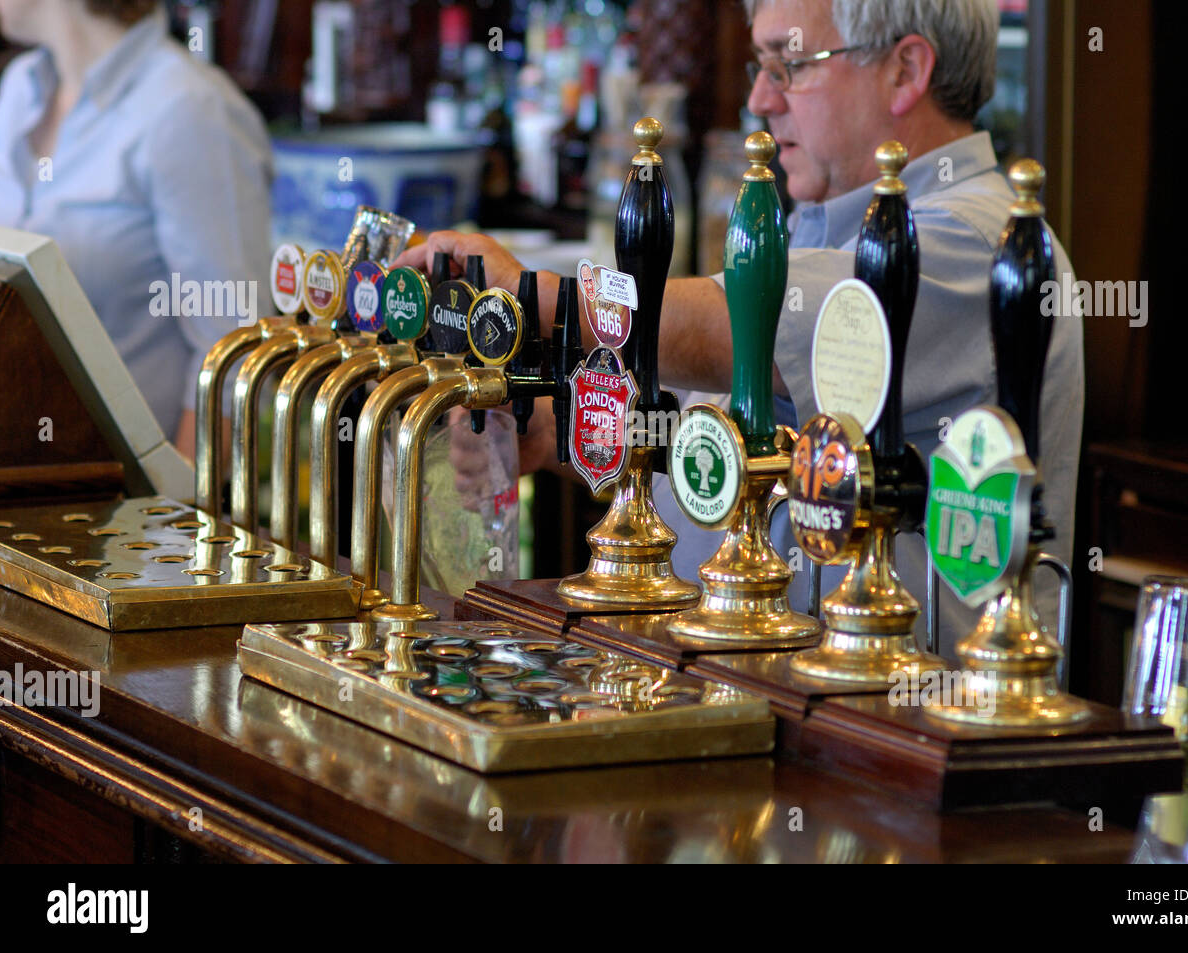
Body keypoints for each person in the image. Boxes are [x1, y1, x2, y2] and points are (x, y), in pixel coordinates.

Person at [394, 0, 1084, 657]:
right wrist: (555, 430)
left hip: (885, 740)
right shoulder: (809, 226)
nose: (759, 98)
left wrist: (533, 298)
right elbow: (719, 448)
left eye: (791, 65)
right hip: (737, 690)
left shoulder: (986, 247)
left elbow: (738, 337)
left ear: (905, 70)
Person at [0, 0, 273, 459]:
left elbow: (233, 354)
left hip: (119, 504)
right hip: (24, 475)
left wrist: (177, 520)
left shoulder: (190, 108)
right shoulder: (21, 87)